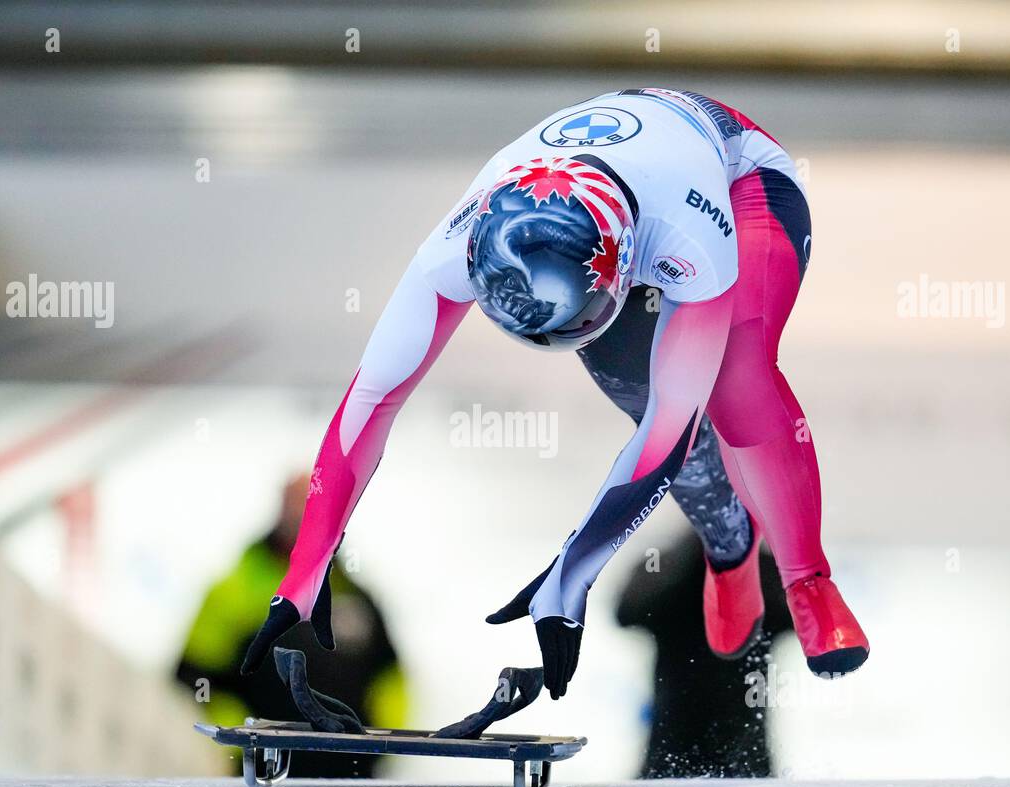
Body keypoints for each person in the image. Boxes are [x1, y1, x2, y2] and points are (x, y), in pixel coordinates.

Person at [241, 88, 870, 702]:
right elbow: (369, 405)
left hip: (741, 181)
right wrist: (305, 568)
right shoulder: (453, 248)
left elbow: (671, 428)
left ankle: (807, 578)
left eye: (573, 325)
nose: (557, 342)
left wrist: (570, 577)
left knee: (736, 381)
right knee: (632, 386)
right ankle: (728, 549)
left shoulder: (684, 233)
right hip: (613, 209)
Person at [178, 474, 406, 777]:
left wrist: (379, 740)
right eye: (299, 503)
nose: (306, 516)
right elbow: (194, 678)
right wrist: (240, 739)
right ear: (281, 508)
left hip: (350, 776)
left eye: (319, 507)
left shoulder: (354, 596)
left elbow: (390, 677)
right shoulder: (232, 591)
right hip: (264, 776)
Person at [617, 532, 795, 778]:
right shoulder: (666, 563)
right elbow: (626, 613)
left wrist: (742, 567)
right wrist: (696, 560)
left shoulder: (764, 567)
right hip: (677, 740)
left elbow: (795, 618)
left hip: (739, 743)